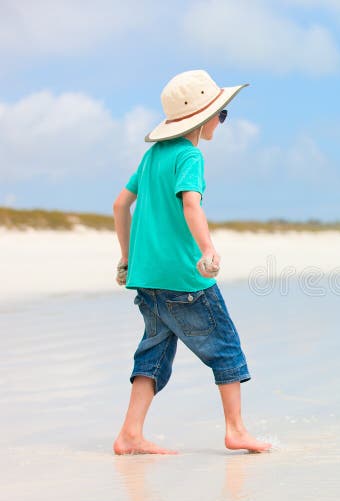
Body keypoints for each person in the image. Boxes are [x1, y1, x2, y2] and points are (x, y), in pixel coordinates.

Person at [112, 70, 270, 454]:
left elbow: (120, 205)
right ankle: (236, 430)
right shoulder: (190, 155)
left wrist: (126, 259)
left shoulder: (152, 157)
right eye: (222, 114)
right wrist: (207, 250)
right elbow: (190, 203)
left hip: (146, 279)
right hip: (185, 280)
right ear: (203, 117)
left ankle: (130, 434)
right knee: (226, 347)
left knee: (153, 353)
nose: (221, 120)